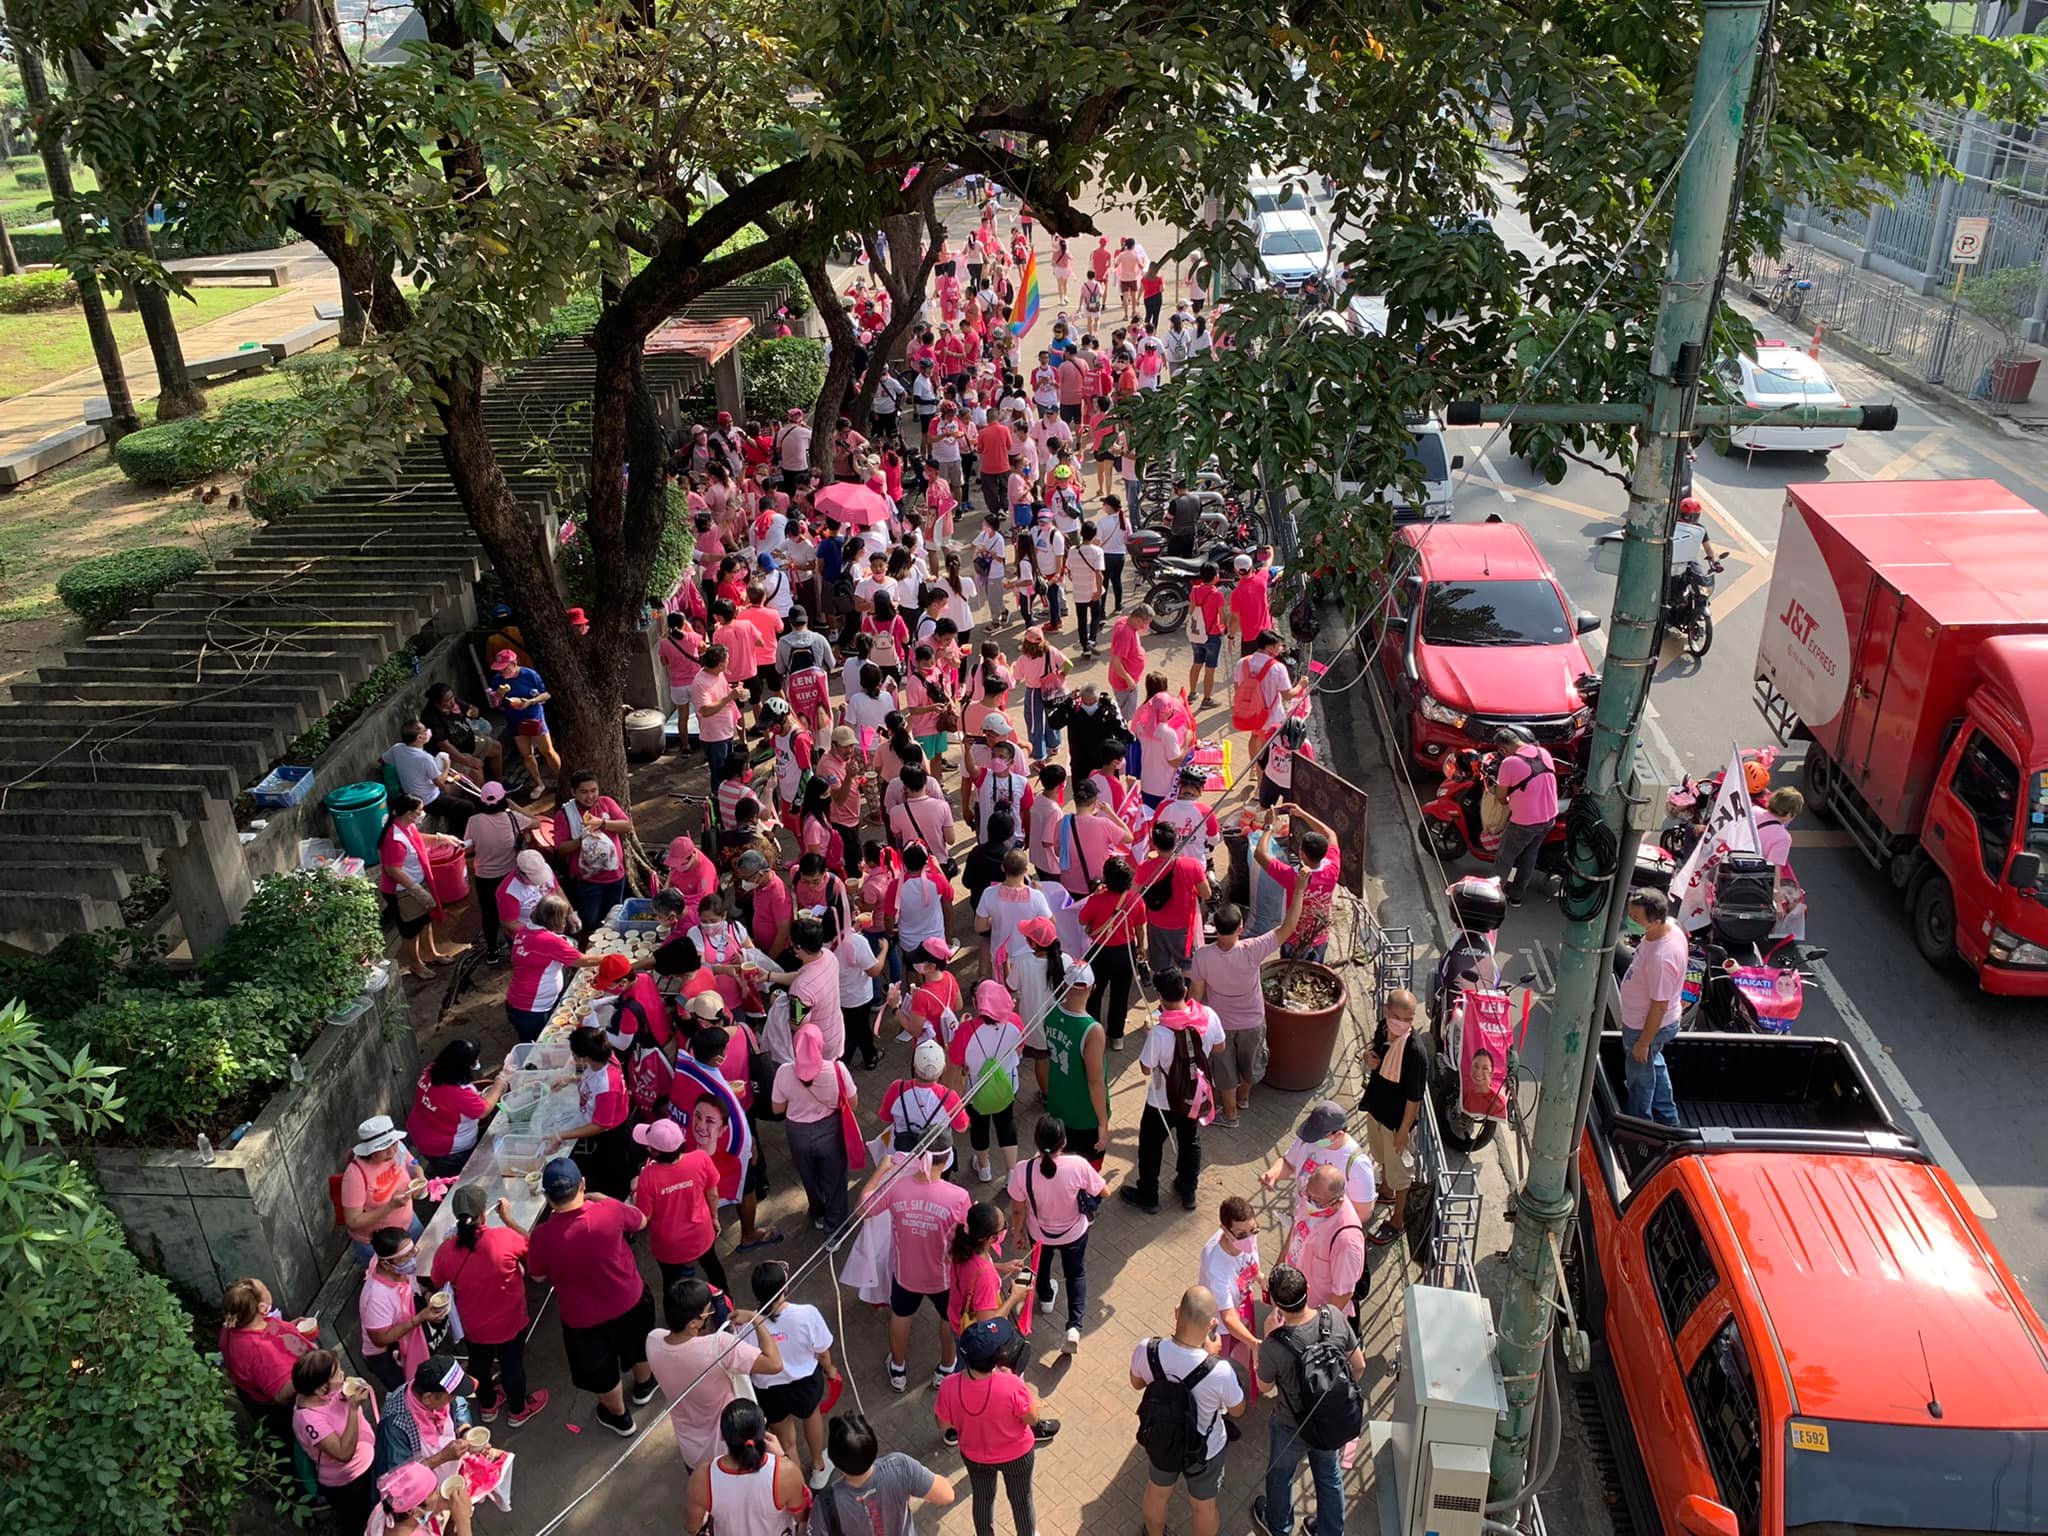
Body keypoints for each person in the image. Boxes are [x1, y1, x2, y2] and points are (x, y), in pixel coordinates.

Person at [524, 1156, 660, 1437]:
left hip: (582, 1319)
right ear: (582, 1184)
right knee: (637, 1345)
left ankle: (620, 1417)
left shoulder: (542, 1236)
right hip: (629, 1299)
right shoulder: (609, 1211)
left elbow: (537, 1276)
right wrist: (604, 1198)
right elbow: (640, 1221)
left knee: (601, 1370)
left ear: (548, 1198)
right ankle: (645, 1386)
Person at [1251, 1263, 1367, 1536]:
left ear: (1277, 1305)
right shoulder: (1335, 1318)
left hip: (1289, 1426)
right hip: (1330, 1422)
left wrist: (1267, 1337)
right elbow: (1358, 1365)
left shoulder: (1274, 1344)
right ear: (1309, 1290)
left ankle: (1278, 1526)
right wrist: (1335, 1400)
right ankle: (1330, 1531)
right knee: (1329, 1476)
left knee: (1280, 1477)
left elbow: (1265, 1386)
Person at [861, 1126, 974, 1393]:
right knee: (948, 1321)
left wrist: (880, 1171)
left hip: (905, 1274)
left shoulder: (896, 1186)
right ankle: (946, 1368)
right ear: (947, 1159)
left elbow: (864, 1209)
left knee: (901, 1316)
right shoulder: (958, 1198)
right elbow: (968, 1235)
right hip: (943, 1277)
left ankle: (898, 1368)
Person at [1190, 867, 1304, 1127]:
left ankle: (1230, 1114)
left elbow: (1196, 995)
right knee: (1250, 1063)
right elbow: (1288, 928)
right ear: (1240, 927)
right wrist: (1298, 891)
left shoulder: (1203, 957)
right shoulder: (1253, 949)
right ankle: (1244, 1097)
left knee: (1224, 1069)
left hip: (1220, 1026)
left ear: (1215, 928)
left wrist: (1189, 1023)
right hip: (1253, 1021)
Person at [1130, 1288, 1247, 1536]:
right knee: (1203, 1507)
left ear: (1176, 1312)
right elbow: (1238, 1410)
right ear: (1212, 1324)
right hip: (1205, 1449)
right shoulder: (1220, 1371)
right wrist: (1210, 1356)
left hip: (1162, 1438)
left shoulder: (1147, 1349)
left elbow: (1137, 1383)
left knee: (1157, 1492)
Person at [430, 1184, 547, 1427]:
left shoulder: (445, 1251)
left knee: (479, 1365)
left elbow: (437, 1280)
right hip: (510, 1321)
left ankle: (487, 1405)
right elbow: (534, 1249)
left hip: (474, 1327)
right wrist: (508, 1219)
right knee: (512, 1365)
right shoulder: (504, 1238)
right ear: (485, 1212)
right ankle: (518, 1410)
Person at [648, 1275, 787, 1469]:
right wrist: (757, 1320)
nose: (712, 1314)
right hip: (731, 1449)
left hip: (693, 1453)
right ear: (693, 1324)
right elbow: (774, 1364)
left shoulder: (653, 1340)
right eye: (708, 1313)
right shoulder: (718, 1346)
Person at [936, 1317, 1056, 1536]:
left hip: (974, 1456)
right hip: (1017, 1456)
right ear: (998, 1359)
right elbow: (1032, 1419)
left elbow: (943, 1423)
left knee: (982, 1499)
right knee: (1021, 1501)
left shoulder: (948, 1386)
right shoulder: (1011, 1384)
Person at [1122, 971, 1224, 1214]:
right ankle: (1188, 1190)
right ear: (1185, 991)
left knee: (1150, 1146)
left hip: (1162, 1101)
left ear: (1160, 997)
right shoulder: (1207, 1016)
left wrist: (1150, 1036)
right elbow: (1220, 1047)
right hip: (1194, 1097)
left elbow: (1146, 1069)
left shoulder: (1159, 1032)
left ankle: (1149, 1194)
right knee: (1190, 1140)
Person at [1006, 1114, 1106, 1354]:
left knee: (1039, 1266)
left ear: (1037, 1142)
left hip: (1039, 1233)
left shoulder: (1022, 1170)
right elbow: (1105, 1191)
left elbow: (1018, 1209)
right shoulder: (1078, 1165)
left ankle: (1047, 1299)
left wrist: (1017, 1233)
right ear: (1064, 1141)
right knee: (1075, 1274)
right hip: (1074, 1233)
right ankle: (1074, 1327)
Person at [739, 1261, 840, 1489]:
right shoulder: (807, 1314)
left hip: (770, 1391)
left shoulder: (746, 1328)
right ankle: (818, 1467)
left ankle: (798, 1487)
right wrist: (830, 1370)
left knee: (787, 1442)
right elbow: (822, 1353)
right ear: (785, 1288)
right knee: (812, 1416)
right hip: (805, 1383)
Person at [632, 1117, 729, 1318]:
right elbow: (713, 1193)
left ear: (654, 1152)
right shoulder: (700, 1159)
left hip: (668, 1245)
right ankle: (726, 1304)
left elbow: (643, 1217)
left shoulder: (647, 1178)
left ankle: (674, 1319)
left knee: (670, 1282)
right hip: (701, 1232)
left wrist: (635, 1192)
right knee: (713, 1267)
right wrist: (714, 1218)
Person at [682, 1399, 811, 1536]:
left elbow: (692, 1526)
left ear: (722, 1435)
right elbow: (803, 1517)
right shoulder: (785, 1472)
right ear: (763, 1428)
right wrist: (783, 1457)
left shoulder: (702, 1477)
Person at [772, 1023, 856, 1231]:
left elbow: (777, 1109)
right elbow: (853, 1103)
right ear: (820, 1046)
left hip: (798, 1134)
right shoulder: (837, 1069)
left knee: (809, 1176)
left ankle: (818, 1212)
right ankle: (835, 1230)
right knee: (835, 1180)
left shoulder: (783, 1072)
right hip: (830, 1132)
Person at [1360, 989, 1426, 1247]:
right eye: (1397, 1017)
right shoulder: (1382, 1029)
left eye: (1408, 1020)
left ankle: (1398, 1219)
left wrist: (1403, 1132)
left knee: (1401, 1175)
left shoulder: (1414, 1053)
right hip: (1378, 1111)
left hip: (1398, 1123)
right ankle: (1385, 1190)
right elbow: (1375, 1053)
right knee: (1383, 1158)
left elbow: (1414, 1099)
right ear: (1387, 1013)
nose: (1402, 1024)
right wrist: (1369, 1058)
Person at [817, 1413, 956, 1535]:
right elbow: (946, 1495)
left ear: (833, 1459)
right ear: (874, 1445)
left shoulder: (826, 1504)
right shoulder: (899, 1466)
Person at [378, 792, 467, 980]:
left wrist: (441, 838)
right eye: (419, 811)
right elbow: (393, 869)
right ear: (408, 813)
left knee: (425, 920)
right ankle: (415, 964)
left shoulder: (405, 827)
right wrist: (416, 891)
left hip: (418, 882)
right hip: (403, 891)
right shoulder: (395, 840)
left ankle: (431, 953)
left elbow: (417, 837)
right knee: (411, 930)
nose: (422, 813)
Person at [951, 980, 1029, 1184]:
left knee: (979, 1126)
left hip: (976, 1089)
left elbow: (956, 1059)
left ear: (978, 1005)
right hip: (1008, 1085)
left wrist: (960, 1029)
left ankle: (984, 1167)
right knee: (1006, 1122)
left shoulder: (966, 1031)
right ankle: (1011, 1172)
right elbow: (1021, 1048)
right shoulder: (1015, 1021)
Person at [218, 1277, 316, 1439]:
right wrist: (312, 1365)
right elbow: (282, 1395)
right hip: (290, 1409)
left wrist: (289, 1328)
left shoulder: (232, 1326)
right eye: (265, 1288)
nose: (268, 1290)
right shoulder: (260, 1351)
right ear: (262, 1308)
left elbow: (266, 1330)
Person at [1620, 890, 1687, 1125]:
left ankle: (1640, 1125)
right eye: (1630, 915)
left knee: (1640, 1081)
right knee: (1654, 1066)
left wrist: (1643, 1043)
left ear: (1656, 920)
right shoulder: (1669, 930)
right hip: (1646, 1025)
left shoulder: (1661, 959)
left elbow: (1658, 1007)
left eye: (1636, 918)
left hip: (1645, 1028)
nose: (1631, 921)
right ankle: (1669, 1120)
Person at [291, 1350, 379, 1529]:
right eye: (337, 1374)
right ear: (319, 1389)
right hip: (351, 1482)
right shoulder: (309, 1419)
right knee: (363, 1522)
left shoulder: (325, 1394)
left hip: (369, 1462)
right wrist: (353, 1409)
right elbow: (343, 1453)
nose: (343, 1375)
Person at [550, 1024, 639, 1197]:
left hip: (612, 1138)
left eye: (574, 1055)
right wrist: (571, 1079)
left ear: (583, 1058)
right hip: (600, 1128)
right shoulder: (602, 1061)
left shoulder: (606, 1085)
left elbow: (601, 1125)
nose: (574, 1058)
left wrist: (562, 1135)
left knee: (612, 1177)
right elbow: (591, 1079)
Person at [357, 1226, 445, 1394]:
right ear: (386, 1263)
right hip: (387, 1357)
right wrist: (418, 1319)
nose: (412, 1260)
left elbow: (413, 1287)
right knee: (410, 1394)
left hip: (411, 1339)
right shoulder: (376, 1296)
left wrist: (426, 1295)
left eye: (413, 1253)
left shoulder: (402, 1270)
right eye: (405, 1258)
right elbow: (380, 1339)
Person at [505, 892, 603, 1042]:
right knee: (538, 1045)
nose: (565, 922)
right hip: (532, 1008)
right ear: (555, 919)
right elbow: (583, 961)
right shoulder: (549, 941)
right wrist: (612, 958)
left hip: (518, 1001)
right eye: (563, 918)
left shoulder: (523, 930)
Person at [1250, 806, 1342, 960]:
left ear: (1302, 854)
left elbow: (1260, 854)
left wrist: (1268, 827)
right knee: (1313, 974)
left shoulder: (1293, 877)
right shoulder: (1333, 868)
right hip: (1320, 936)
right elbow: (1330, 834)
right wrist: (1303, 813)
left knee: (1289, 973)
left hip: (1293, 938)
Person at [1041, 960, 1110, 1164]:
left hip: (1058, 1106)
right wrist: (1103, 1122)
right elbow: (1095, 1082)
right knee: (1087, 1171)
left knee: (1060, 1163)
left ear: (1064, 985)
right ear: (1092, 988)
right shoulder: (1092, 1030)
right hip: (1084, 1114)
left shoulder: (1050, 1012)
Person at [405, 1039, 507, 1177]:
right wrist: (500, 1084)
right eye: (475, 1060)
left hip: (421, 1133)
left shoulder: (432, 1070)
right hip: (448, 1148)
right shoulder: (458, 1092)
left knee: (439, 1167)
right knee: (460, 1175)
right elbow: (484, 1110)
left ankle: (440, 1174)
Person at [1278, 1164, 1365, 1316]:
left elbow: (1342, 1294)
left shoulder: (1347, 1241)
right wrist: (1278, 1267)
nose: (1310, 1203)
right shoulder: (1311, 1198)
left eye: (1317, 1201)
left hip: (1313, 1312)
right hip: (1291, 1296)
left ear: (1337, 1202)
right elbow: (1295, 1231)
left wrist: (1316, 1326)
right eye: (1308, 1195)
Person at [552, 770, 632, 934]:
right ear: (573, 792)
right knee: (590, 921)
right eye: (584, 792)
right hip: (588, 882)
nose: (590, 796)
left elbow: (626, 825)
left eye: (593, 790)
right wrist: (584, 840)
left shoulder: (606, 803)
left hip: (616, 876)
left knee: (614, 917)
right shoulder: (566, 814)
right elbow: (561, 849)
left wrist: (602, 823)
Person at [340, 1115, 425, 1266]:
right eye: (384, 1149)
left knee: (423, 1261)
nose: (392, 1152)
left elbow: (413, 1164)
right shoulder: (355, 1175)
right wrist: (390, 1207)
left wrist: (419, 1176)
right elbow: (353, 1221)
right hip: (382, 1243)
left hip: (410, 1223)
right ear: (370, 1151)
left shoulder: (398, 1148)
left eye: (394, 1144)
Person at [1134, 821, 1214, 982]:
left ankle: (1164, 992)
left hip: (1156, 925)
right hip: (1183, 927)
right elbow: (1207, 894)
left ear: (1154, 844)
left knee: (1160, 967)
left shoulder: (1144, 868)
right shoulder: (1191, 865)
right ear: (1176, 841)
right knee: (1187, 964)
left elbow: (1133, 893)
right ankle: (1183, 994)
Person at [1077, 856, 1143, 1047]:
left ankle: (1094, 1035)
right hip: (1126, 953)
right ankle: (1117, 1036)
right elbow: (1139, 927)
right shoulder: (1135, 899)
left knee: (1095, 995)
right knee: (1120, 996)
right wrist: (1140, 947)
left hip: (1100, 953)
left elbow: (1082, 920)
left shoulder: (1097, 899)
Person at [1197, 1196, 1264, 1385]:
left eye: (1253, 1230)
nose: (1250, 1238)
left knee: (1245, 1351)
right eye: (1241, 1234)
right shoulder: (1215, 1265)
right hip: (1221, 1324)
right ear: (1224, 1230)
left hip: (1242, 1304)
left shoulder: (1248, 1236)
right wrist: (1254, 1343)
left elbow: (1250, 1263)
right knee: (1218, 1365)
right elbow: (1227, 1317)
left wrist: (1259, 1277)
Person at [1490, 726, 1558, 907]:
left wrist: (1505, 800)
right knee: (1529, 854)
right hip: (1549, 817)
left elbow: (1500, 797)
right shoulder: (1543, 752)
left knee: (1505, 858)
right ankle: (1516, 897)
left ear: (1503, 750)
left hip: (1524, 822)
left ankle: (1491, 898)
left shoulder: (1509, 763)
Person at [372, 1353, 469, 1479]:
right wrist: (443, 1457)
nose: (455, 1398)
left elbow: (459, 1405)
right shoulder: (395, 1426)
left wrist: (465, 1430)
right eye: (452, 1396)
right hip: (430, 1489)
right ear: (428, 1398)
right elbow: (400, 1476)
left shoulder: (433, 1388)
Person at [464, 782, 531, 962]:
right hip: (509, 875)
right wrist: (514, 806)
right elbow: (537, 822)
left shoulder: (474, 821)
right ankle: (515, 948)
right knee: (511, 912)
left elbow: (468, 847)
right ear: (504, 800)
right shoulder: (514, 817)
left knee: (489, 912)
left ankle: (492, 951)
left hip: (484, 876)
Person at [486, 647, 561, 793]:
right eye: (500, 669)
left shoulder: (530, 675)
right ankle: (539, 783)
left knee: (548, 751)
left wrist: (530, 702)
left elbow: (546, 694)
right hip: (514, 719)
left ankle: (562, 779)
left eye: (505, 668)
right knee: (526, 754)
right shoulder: (497, 680)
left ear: (514, 663)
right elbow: (495, 704)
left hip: (534, 716)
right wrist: (498, 696)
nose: (502, 672)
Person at [1231, 629, 1307, 768]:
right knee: (1266, 749)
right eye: (1278, 646)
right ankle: (1261, 779)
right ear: (1269, 648)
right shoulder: (1277, 668)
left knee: (1254, 737)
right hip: (1271, 717)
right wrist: (1301, 685)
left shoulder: (1242, 663)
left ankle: (1252, 769)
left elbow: (1238, 688)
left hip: (1250, 713)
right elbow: (1287, 695)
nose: (1281, 649)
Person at [368, 1459, 476, 1536]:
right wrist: (463, 1521)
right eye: (433, 1491)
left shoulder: (383, 1509)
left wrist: (441, 1510)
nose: (439, 1493)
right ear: (413, 1511)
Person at [1756, 785, 1808, 940]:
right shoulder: (1782, 837)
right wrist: (1777, 901)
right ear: (1790, 814)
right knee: (1793, 894)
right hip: (1755, 877)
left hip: (1732, 865)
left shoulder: (1754, 812)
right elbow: (1775, 870)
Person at [1186, 563, 1226, 707]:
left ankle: (1192, 693)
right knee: (1210, 669)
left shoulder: (1195, 590)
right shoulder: (1217, 594)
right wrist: (1223, 628)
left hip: (1197, 634)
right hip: (1212, 635)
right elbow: (1222, 615)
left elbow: (1191, 610)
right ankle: (1207, 699)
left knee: (1196, 663)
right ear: (1216, 577)